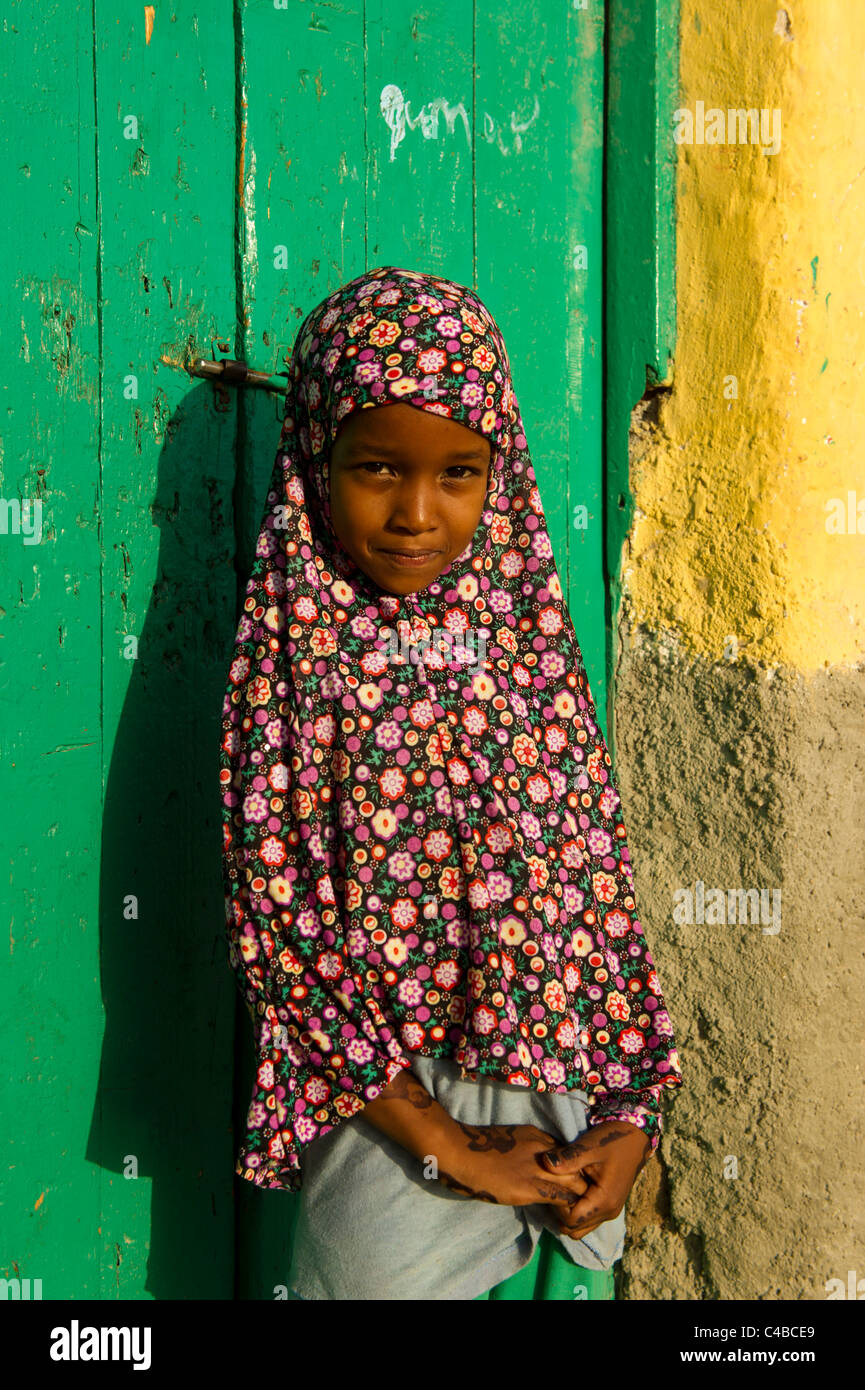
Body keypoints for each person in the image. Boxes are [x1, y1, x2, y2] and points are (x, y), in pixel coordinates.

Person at [218, 265, 684, 1300]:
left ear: (498, 472)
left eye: (458, 474)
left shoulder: (525, 639)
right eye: (377, 468)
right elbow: (279, 928)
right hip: (387, 1108)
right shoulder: (296, 656)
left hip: (565, 1106)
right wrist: (454, 1150)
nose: (416, 515)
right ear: (312, 457)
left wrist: (632, 1109)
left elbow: (591, 884)